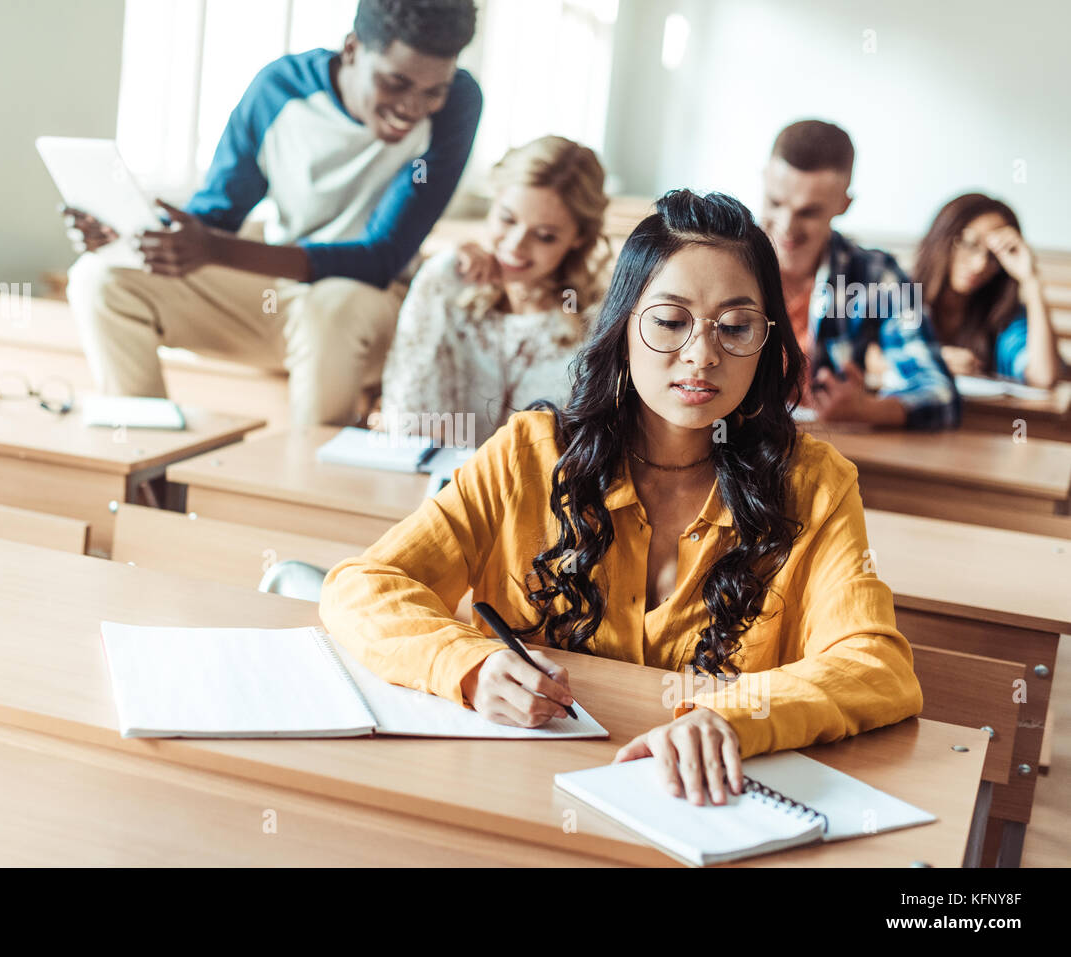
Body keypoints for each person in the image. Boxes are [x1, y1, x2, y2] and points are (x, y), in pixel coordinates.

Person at [320, 190, 922, 805]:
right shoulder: (529, 454)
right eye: (669, 321)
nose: (702, 355)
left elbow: (874, 664)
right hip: (523, 794)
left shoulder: (812, 484)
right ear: (624, 324)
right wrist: (468, 666)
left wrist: (737, 718)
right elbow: (363, 586)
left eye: (736, 327)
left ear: (767, 339)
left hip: (704, 805)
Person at [64, 0, 483, 427]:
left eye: (433, 91)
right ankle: (145, 467)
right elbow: (215, 215)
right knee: (99, 279)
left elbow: (381, 257)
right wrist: (136, 235)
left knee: (333, 306)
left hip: (370, 309)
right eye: (395, 83)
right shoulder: (280, 89)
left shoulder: (458, 105)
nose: (412, 107)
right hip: (274, 298)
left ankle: (307, 480)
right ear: (353, 49)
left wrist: (215, 250)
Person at [377, 135, 609, 447]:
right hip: (437, 486)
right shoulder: (449, 289)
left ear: (579, 237)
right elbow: (406, 418)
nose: (515, 245)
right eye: (507, 219)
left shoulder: (596, 324)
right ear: (494, 201)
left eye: (544, 236)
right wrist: (440, 276)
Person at [760, 120, 959, 429]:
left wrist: (867, 410)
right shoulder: (721, 260)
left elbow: (940, 392)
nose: (787, 225)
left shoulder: (876, 275)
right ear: (763, 181)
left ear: (844, 204)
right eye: (775, 202)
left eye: (808, 211)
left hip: (820, 454)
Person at [913, 193, 1061, 388]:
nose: (980, 265)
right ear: (942, 238)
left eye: (993, 255)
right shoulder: (904, 295)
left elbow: (1042, 377)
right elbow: (871, 356)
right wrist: (932, 359)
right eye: (968, 244)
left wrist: (1031, 279)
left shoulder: (1004, 317)